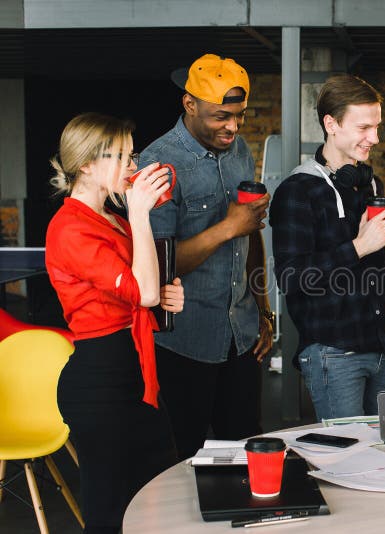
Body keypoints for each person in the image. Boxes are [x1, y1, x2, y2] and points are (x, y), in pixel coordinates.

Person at [45, 112, 184, 533]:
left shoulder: (113, 220)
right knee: (109, 513)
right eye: (121, 156)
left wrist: (164, 299)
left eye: (132, 154)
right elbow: (140, 291)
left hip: (134, 372)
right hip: (98, 380)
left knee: (159, 494)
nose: (132, 167)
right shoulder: (69, 228)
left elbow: (144, 294)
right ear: (86, 163)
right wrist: (142, 216)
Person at [139, 54, 272, 460]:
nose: (232, 127)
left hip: (242, 337)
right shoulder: (159, 162)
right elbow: (159, 263)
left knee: (245, 453)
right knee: (183, 460)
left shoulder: (241, 150)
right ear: (189, 105)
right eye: (220, 117)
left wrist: (263, 310)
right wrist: (227, 226)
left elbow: (251, 233)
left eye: (239, 116)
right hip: (185, 341)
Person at [270, 74, 385, 421]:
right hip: (334, 354)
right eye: (364, 128)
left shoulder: (366, 181)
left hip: (382, 346)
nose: (374, 138)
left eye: (377, 127)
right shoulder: (297, 190)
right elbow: (291, 278)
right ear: (331, 123)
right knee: (346, 458)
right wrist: (358, 246)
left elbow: (377, 255)